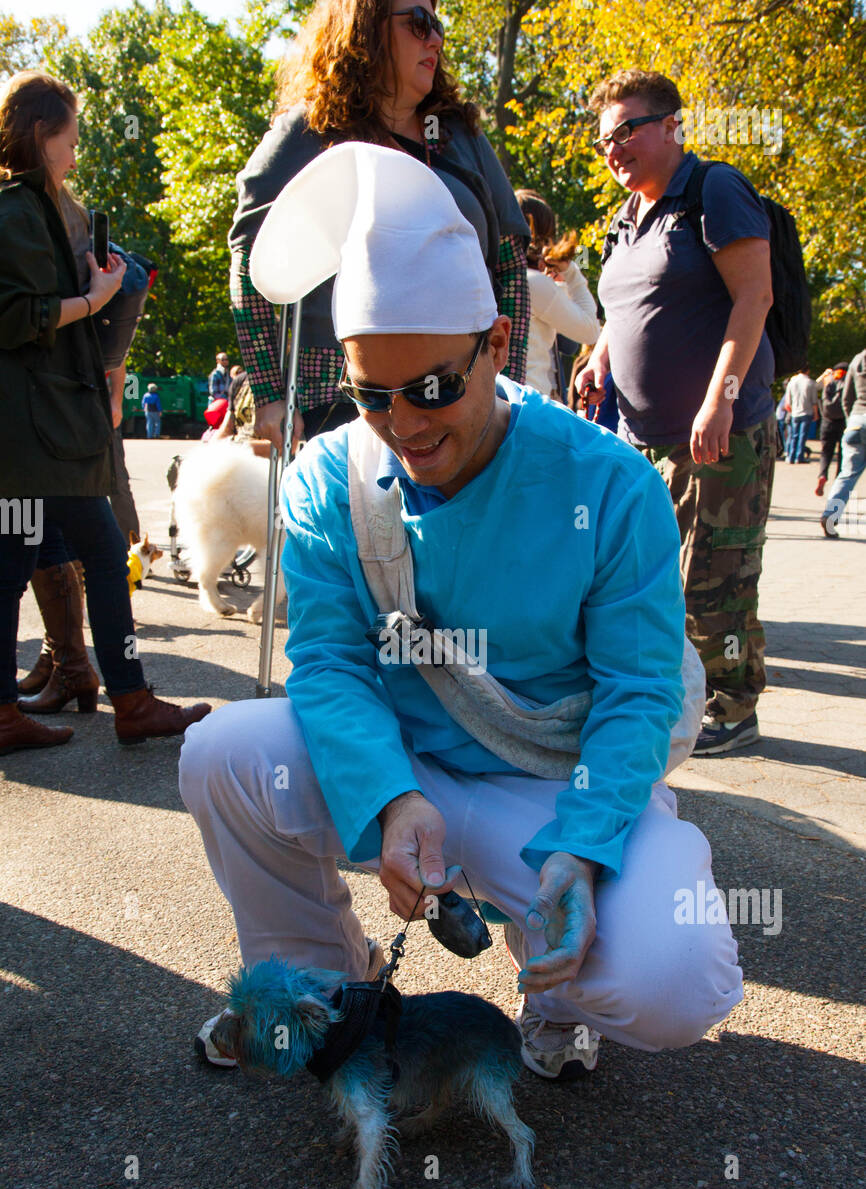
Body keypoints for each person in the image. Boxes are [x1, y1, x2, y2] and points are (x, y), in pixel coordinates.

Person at [181, 142, 742, 1084]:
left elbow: (641, 689)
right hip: (404, 771)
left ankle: (558, 992)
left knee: (674, 978)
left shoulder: (608, 485)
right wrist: (392, 798)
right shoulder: (327, 478)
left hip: (554, 789)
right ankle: (326, 986)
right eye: (372, 396)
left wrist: (584, 845)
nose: (405, 426)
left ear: (494, 345)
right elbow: (327, 664)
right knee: (222, 756)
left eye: (434, 387)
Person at [0, 70, 211, 750]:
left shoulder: (33, 206)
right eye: (70, 138)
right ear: (42, 134)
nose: (75, 153)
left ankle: (107, 698)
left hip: (42, 431)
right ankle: (128, 698)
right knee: (77, 554)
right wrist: (95, 298)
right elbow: (16, 316)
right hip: (38, 434)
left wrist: (100, 284)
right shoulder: (16, 211)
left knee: (25, 563)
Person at [576, 68, 775, 757]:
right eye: (604, 139)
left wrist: (719, 399)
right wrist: (601, 352)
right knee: (647, 578)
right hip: (640, 437)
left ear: (670, 125)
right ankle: (667, 694)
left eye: (627, 130)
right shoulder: (626, 218)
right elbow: (627, 306)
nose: (614, 148)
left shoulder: (712, 189)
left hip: (720, 434)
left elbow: (754, 298)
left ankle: (732, 706)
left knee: (715, 577)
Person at [229, 0, 530, 454]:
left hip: (457, 390)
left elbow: (509, 265)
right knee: (361, 523)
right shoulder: (311, 131)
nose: (435, 38)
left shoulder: (457, 135)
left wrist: (508, 382)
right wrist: (271, 395)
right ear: (365, 28)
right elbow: (249, 259)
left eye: (437, 24)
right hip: (345, 396)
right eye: (418, 22)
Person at [515, 189, 599, 398]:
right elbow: (590, 331)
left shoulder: (493, 276)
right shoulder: (534, 283)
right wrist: (571, 273)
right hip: (533, 404)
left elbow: (567, 346)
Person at [820, 349, 866, 537]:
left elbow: (846, 398)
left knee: (847, 474)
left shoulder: (857, 359)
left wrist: (852, 421)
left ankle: (830, 515)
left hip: (856, 421)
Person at [816, 362, 847, 496]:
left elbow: (814, 386)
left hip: (827, 422)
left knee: (826, 452)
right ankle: (837, 482)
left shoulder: (829, 382)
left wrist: (824, 376)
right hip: (843, 422)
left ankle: (822, 475)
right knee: (842, 453)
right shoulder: (848, 382)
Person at [784, 366, 818, 464]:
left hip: (794, 412)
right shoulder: (810, 383)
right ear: (808, 370)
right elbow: (814, 401)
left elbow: (788, 401)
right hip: (806, 412)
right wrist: (816, 414)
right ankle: (799, 457)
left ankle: (790, 456)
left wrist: (791, 410)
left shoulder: (792, 382)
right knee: (802, 436)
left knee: (794, 435)